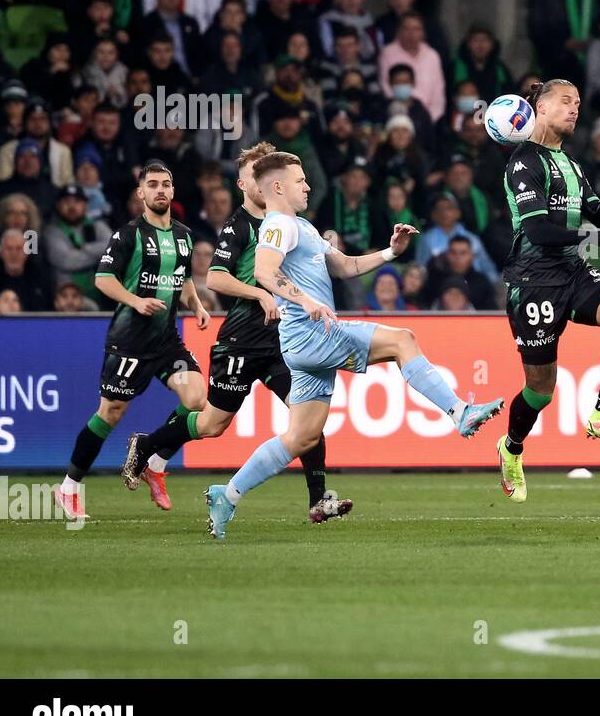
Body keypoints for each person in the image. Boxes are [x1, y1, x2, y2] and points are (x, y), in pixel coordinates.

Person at [203, 151, 503, 540]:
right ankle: (459, 411)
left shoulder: (301, 226)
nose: (308, 186)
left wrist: (391, 252)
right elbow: (263, 271)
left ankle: (226, 495)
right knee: (403, 340)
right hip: (312, 334)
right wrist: (304, 300)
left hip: (301, 345)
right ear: (277, 187)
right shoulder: (278, 226)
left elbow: (345, 265)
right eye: (300, 180)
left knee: (302, 437)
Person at [122, 144, 346, 522]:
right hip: (241, 342)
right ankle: (148, 444)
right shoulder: (238, 226)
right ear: (243, 184)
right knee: (213, 424)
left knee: (306, 416)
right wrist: (260, 293)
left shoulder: (288, 223)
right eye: (255, 175)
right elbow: (215, 278)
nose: (263, 181)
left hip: (281, 341)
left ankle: (319, 499)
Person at [495, 78, 600, 502]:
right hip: (533, 283)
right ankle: (511, 448)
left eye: (577, 102)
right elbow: (539, 231)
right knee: (541, 391)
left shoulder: (571, 165)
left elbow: (597, 217)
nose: (574, 108)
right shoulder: (524, 162)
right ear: (540, 108)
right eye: (565, 101)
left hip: (573, 272)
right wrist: (592, 235)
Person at [54, 162, 210, 519]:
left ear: (173, 191)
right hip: (129, 342)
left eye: (166, 184)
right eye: (152, 184)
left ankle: (154, 462)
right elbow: (103, 279)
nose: (160, 190)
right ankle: (69, 487)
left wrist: (197, 305)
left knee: (197, 398)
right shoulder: (128, 235)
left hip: (166, 340)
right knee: (110, 413)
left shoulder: (184, 236)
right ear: (141, 193)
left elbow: (183, 278)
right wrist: (136, 301)